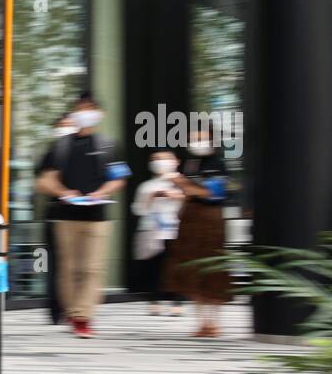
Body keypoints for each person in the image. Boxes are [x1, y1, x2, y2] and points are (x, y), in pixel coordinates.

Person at [35, 93, 129, 338]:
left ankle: (82, 317)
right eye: (80, 108)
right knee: (68, 269)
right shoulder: (61, 146)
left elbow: (119, 178)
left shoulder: (108, 145)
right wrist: (63, 192)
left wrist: (101, 192)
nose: (85, 112)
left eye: (90, 108)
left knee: (93, 269)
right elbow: (44, 181)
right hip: (66, 216)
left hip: (98, 216)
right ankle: (73, 311)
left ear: (99, 114)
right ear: (74, 113)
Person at [164, 129, 231, 337]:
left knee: (213, 270)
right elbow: (187, 192)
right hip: (190, 218)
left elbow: (212, 192)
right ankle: (202, 323)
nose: (197, 142)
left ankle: (215, 323)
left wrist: (183, 184)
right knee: (192, 270)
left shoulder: (218, 163)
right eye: (193, 138)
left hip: (211, 218)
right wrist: (182, 198)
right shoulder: (191, 163)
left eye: (201, 138)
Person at [35, 113, 79, 325]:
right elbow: (41, 183)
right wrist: (63, 192)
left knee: (77, 265)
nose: (66, 128)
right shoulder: (52, 153)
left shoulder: (86, 152)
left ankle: (74, 309)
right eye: (62, 125)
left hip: (82, 217)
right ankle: (56, 310)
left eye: (70, 125)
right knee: (55, 264)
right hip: (55, 216)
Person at [131, 150, 184, 315]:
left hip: (174, 228)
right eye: (156, 159)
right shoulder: (146, 186)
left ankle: (177, 301)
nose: (160, 162)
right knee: (154, 265)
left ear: (176, 161)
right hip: (152, 228)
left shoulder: (182, 183)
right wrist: (151, 197)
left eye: (165, 159)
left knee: (175, 265)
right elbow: (137, 209)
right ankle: (155, 299)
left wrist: (179, 198)